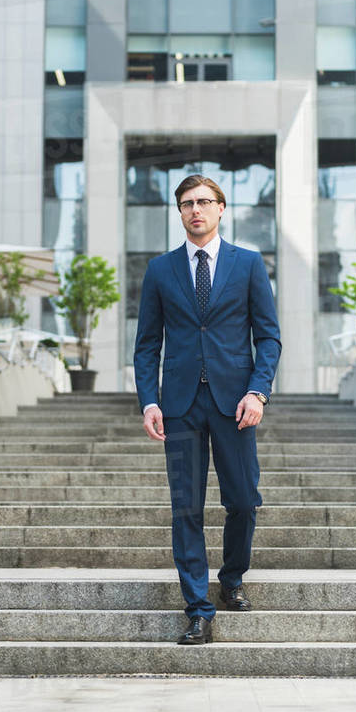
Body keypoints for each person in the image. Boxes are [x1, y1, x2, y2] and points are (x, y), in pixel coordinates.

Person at [133, 174, 282, 645]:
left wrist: (257, 392)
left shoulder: (249, 264)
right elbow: (145, 346)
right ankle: (198, 607)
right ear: (179, 213)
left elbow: (269, 337)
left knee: (242, 501)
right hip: (179, 406)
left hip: (235, 403)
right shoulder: (160, 270)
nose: (195, 210)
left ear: (221, 209)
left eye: (203, 202)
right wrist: (150, 400)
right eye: (186, 204)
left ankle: (232, 578)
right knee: (186, 509)